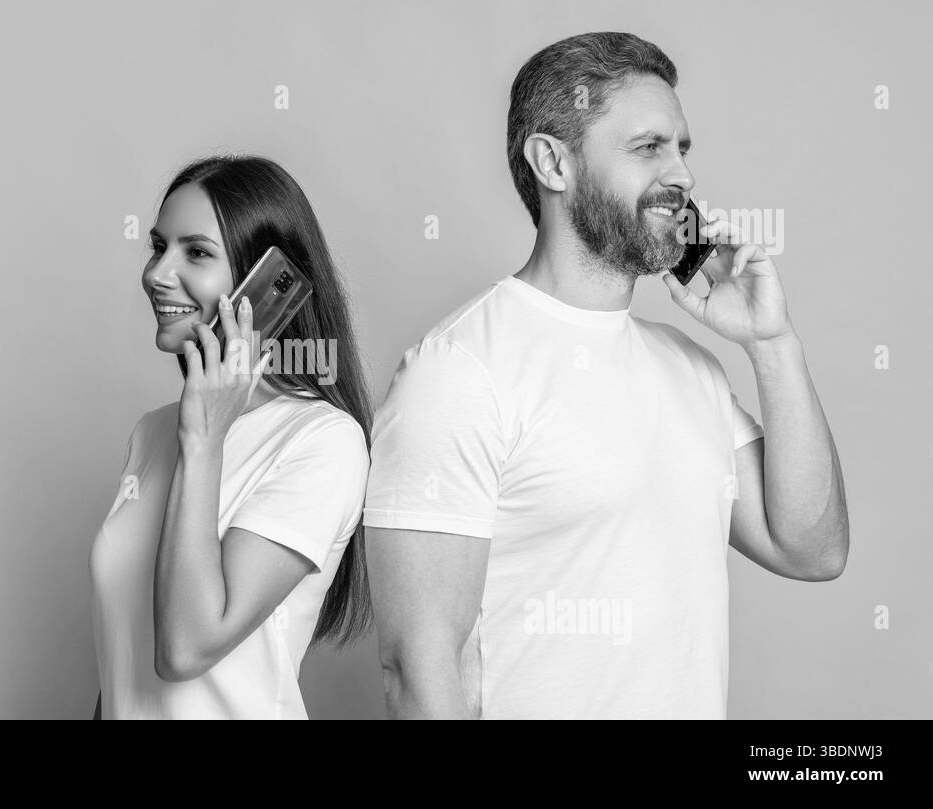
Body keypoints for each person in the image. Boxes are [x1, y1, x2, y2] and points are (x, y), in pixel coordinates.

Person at [363, 32, 849, 719]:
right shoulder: (457, 373)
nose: (681, 175)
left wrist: (773, 342)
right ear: (552, 161)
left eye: (683, 149)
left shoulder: (694, 372)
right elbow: (418, 671)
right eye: (649, 147)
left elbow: (813, 549)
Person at [90, 155, 374, 719]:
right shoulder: (151, 433)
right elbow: (123, 664)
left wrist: (204, 440)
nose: (156, 274)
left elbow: (185, 647)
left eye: (195, 252)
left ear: (267, 282)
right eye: (158, 246)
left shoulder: (322, 442)